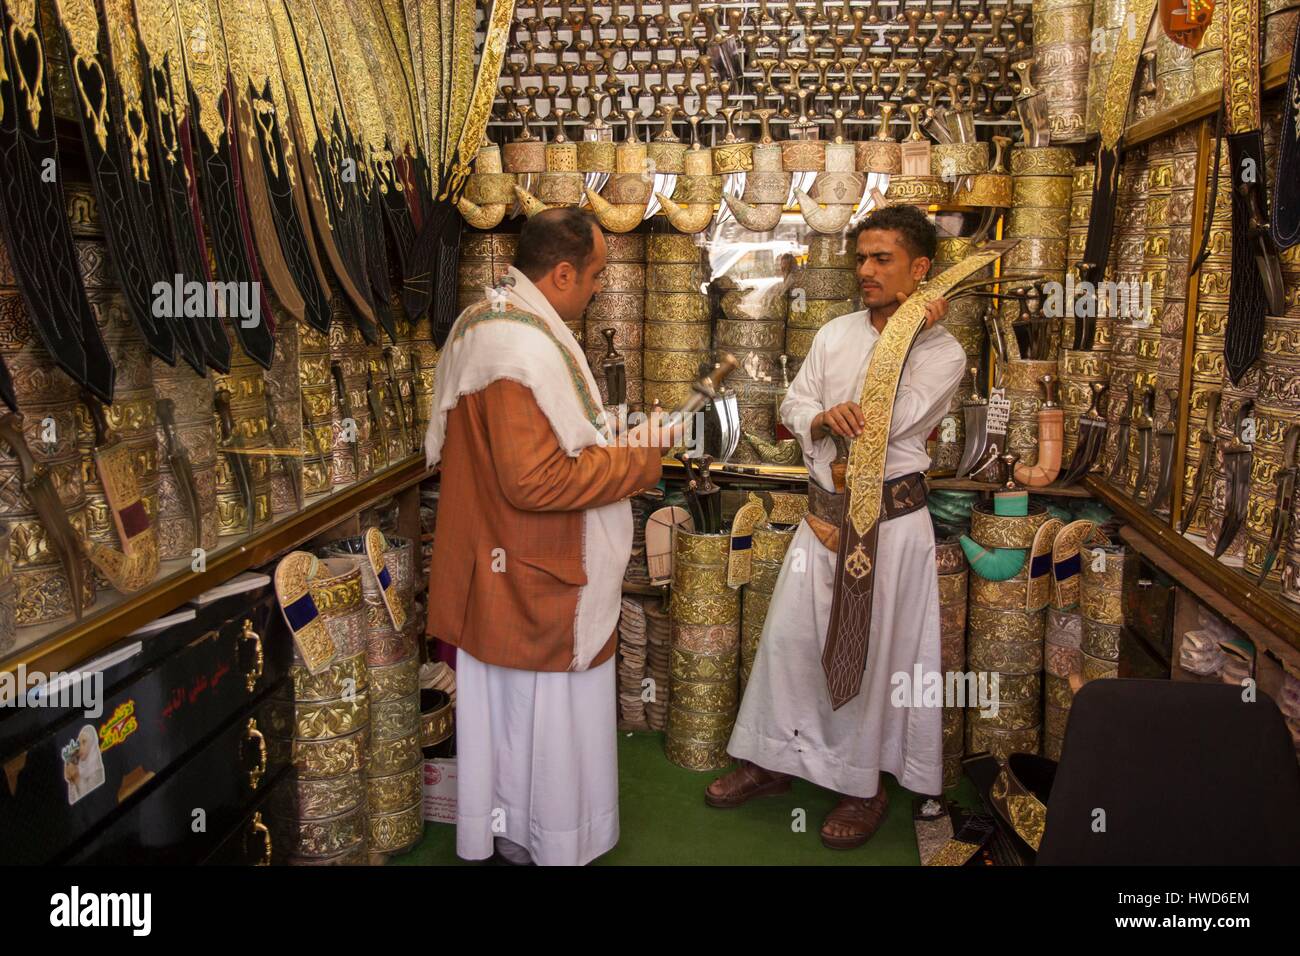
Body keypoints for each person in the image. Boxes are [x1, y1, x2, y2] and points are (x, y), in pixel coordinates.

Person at [706, 204, 967, 849]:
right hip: (823, 517)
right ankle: (771, 760)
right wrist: (821, 420)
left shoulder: (943, 352)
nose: (867, 271)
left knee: (876, 655)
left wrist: (901, 339)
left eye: (883, 259)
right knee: (792, 642)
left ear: (922, 269)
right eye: (861, 258)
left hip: (890, 526)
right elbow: (797, 402)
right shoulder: (835, 333)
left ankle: (864, 785)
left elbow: (897, 419)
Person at [424, 208, 678, 865]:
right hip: (537, 579)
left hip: (515, 568)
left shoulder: (504, 322)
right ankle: (540, 841)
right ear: (561, 272)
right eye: (594, 275)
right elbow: (534, 482)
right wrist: (639, 460)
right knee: (538, 725)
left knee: (518, 725)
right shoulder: (514, 347)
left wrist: (617, 446)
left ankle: (521, 834)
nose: (597, 288)